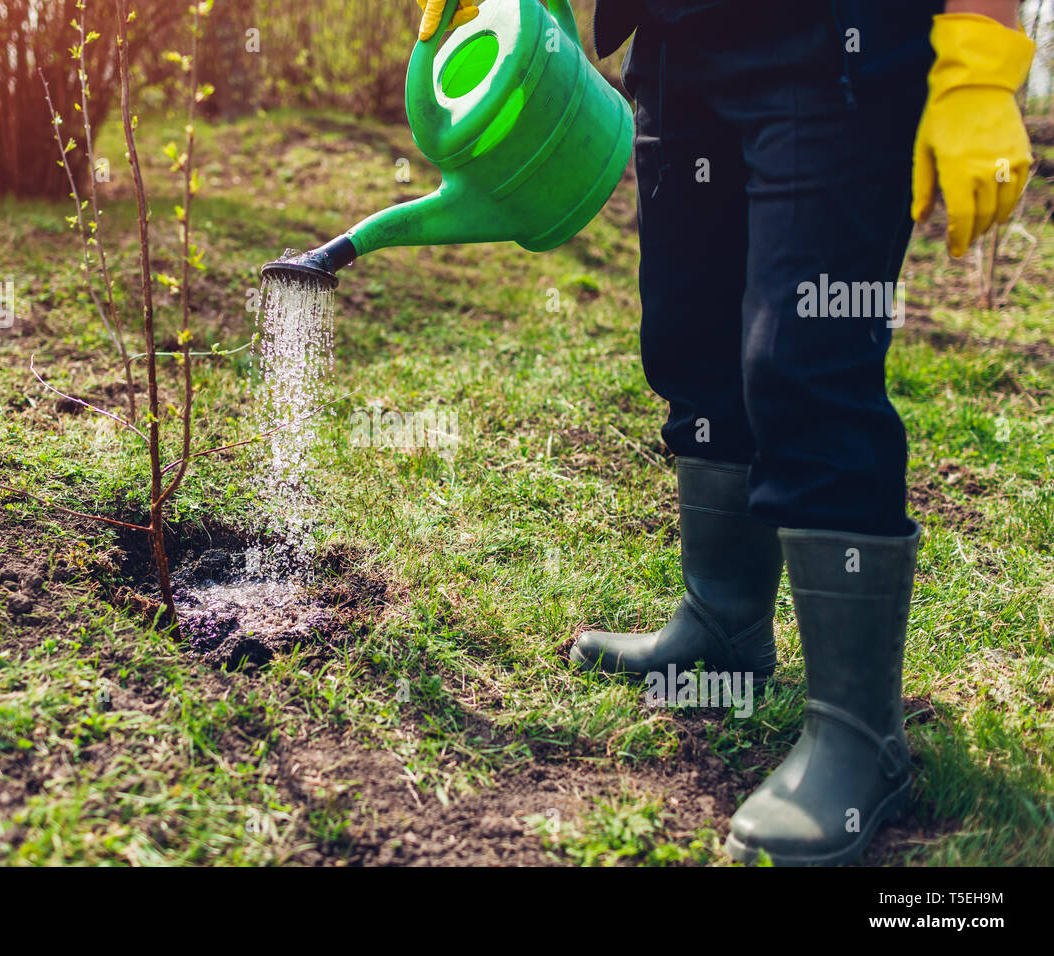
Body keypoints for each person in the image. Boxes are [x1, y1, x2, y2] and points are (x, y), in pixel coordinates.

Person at [418, 0, 1035, 865]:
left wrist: (979, 62)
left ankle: (861, 735)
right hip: (678, 46)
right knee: (691, 342)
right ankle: (723, 627)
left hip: (838, 48)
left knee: (802, 360)